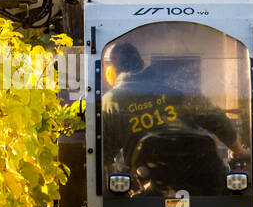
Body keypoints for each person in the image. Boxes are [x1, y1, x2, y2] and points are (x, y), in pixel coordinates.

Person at [100, 41, 237, 170]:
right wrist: (240, 151)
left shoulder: (111, 102)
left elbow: (105, 151)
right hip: (198, 174)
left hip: (148, 182)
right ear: (142, 64)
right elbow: (216, 118)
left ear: (110, 72)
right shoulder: (177, 86)